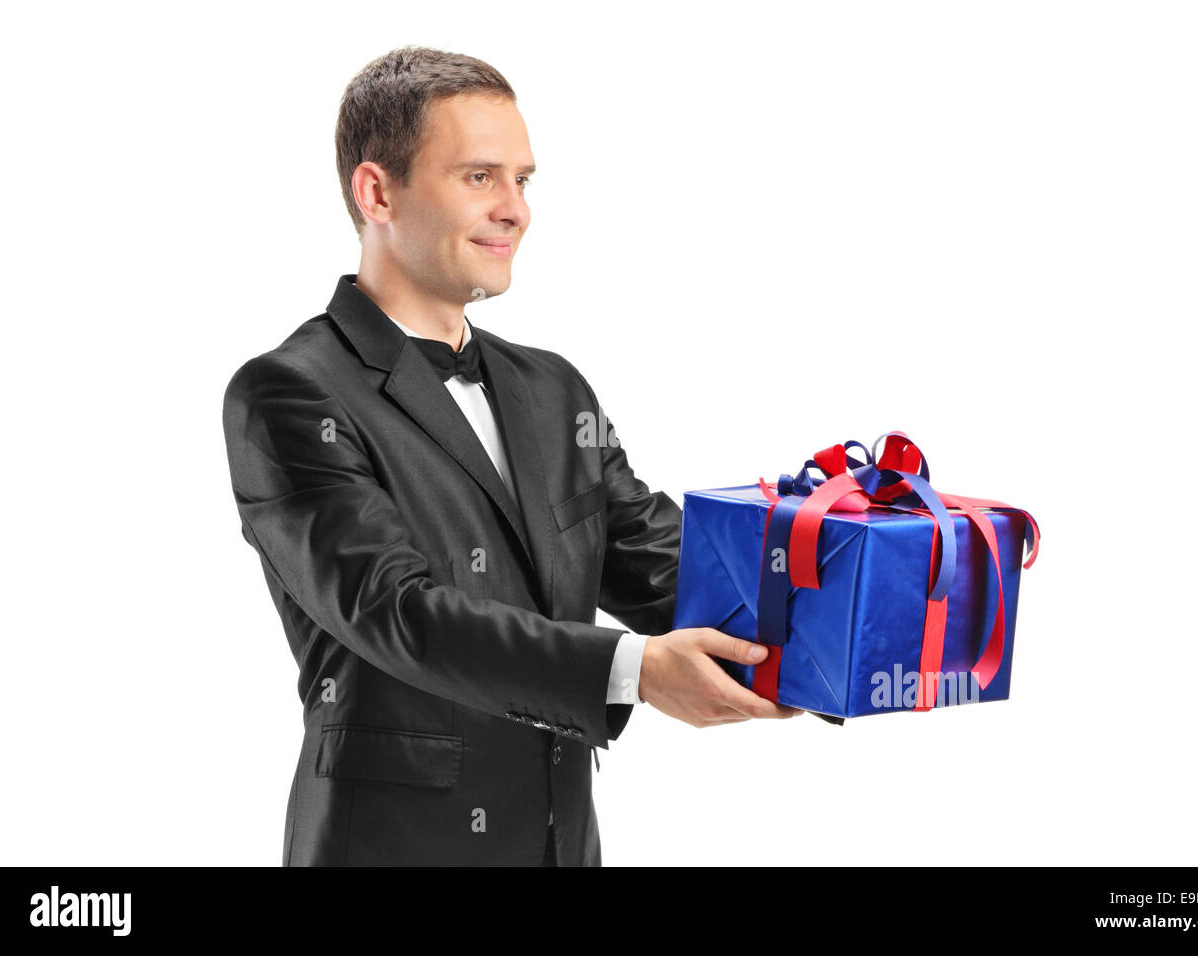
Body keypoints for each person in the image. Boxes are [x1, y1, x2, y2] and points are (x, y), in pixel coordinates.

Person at [220, 45, 802, 867]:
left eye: (522, 180)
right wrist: (633, 669)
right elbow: (400, 613)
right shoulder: (286, 395)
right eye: (479, 177)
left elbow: (669, 567)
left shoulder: (554, 391)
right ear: (377, 191)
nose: (515, 210)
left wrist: (854, 592)